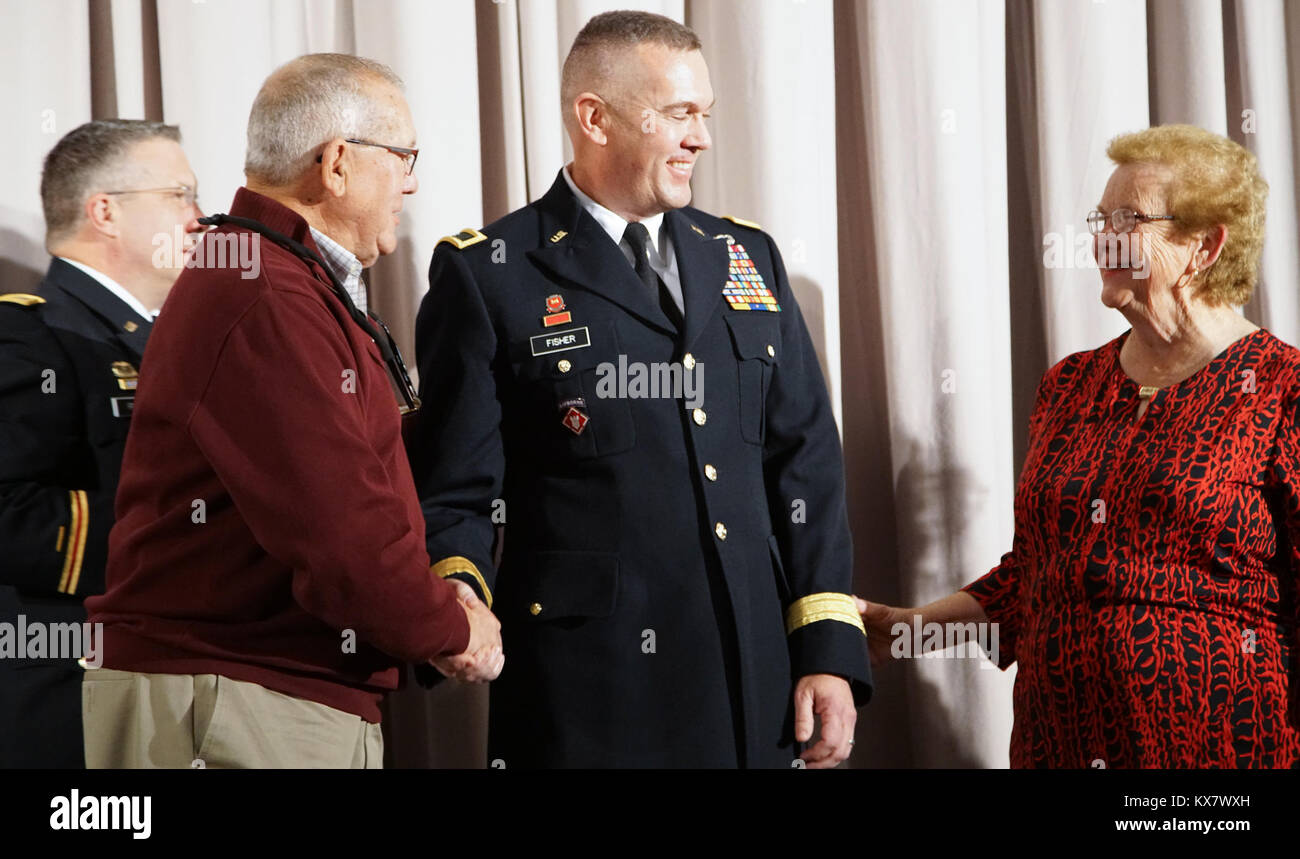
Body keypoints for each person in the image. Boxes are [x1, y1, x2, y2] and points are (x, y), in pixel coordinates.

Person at [408, 11, 870, 768]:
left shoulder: (744, 256)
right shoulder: (491, 272)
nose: (702, 138)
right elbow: (456, 490)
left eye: (706, 114)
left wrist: (826, 648)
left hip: (751, 683)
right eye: (680, 114)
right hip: (591, 698)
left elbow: (806, 464)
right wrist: (457, 594)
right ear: (595, 117)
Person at [83, 53, 502, 769]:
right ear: (337, 163)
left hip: (254, 694)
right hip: (235, 700)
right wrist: (453, 630)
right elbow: (342, 533)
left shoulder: (275, 276)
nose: (412, 179)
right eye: (403, 155)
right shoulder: (263, 293)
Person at [859, 124, 1300, 767]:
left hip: (1219, 759)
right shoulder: (1070, 384)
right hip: (1056, 745)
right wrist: (902, 630)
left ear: (1204, 246)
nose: (1099, 237)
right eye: (1099, 217)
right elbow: (1034, 578)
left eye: (1127, 219)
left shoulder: (1283, 390)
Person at [0, 120, 204, 768]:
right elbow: (10, 510)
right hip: (66, 690)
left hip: (168, 683)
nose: (200, 218)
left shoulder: (177, 343)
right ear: (105, 211)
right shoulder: (31, 333)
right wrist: (187, 542)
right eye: (180, 194)